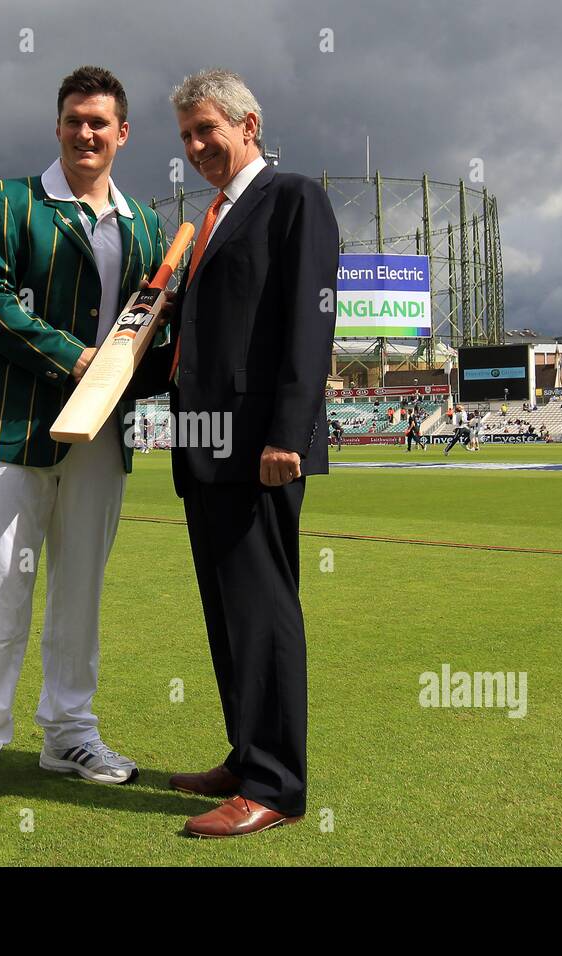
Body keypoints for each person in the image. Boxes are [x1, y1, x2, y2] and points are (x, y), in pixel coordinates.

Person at [0, 65, 170, 820]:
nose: (85, 133)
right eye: (74, 119)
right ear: (59, 124)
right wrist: (73, 357)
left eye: (100, 122)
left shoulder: (143, 223)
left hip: (104, 433)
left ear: (123, 132)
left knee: (81, 593)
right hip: (17, 426)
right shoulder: (9, 200)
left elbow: (152, 326)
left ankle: (69, 732)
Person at [126, 69, 339, 838]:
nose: (194, 147)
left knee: (262, 608)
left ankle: (277, 785)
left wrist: (288, 431)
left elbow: (309, 324)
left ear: (248, 123)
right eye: (184, 136)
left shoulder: (292, 200)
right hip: (202, 442)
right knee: (226, 611)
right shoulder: (210, 218)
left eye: (205, 130)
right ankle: (247, 756)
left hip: (258, 445)